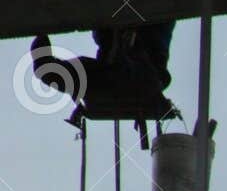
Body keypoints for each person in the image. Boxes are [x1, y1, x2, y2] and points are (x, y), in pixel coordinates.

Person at [30, 24, 177, 126]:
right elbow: (46, 70)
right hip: (140, 70)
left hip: (131, 71)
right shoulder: (96, 78)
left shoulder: (93, 78)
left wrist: (41, 30)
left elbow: (46, 70)